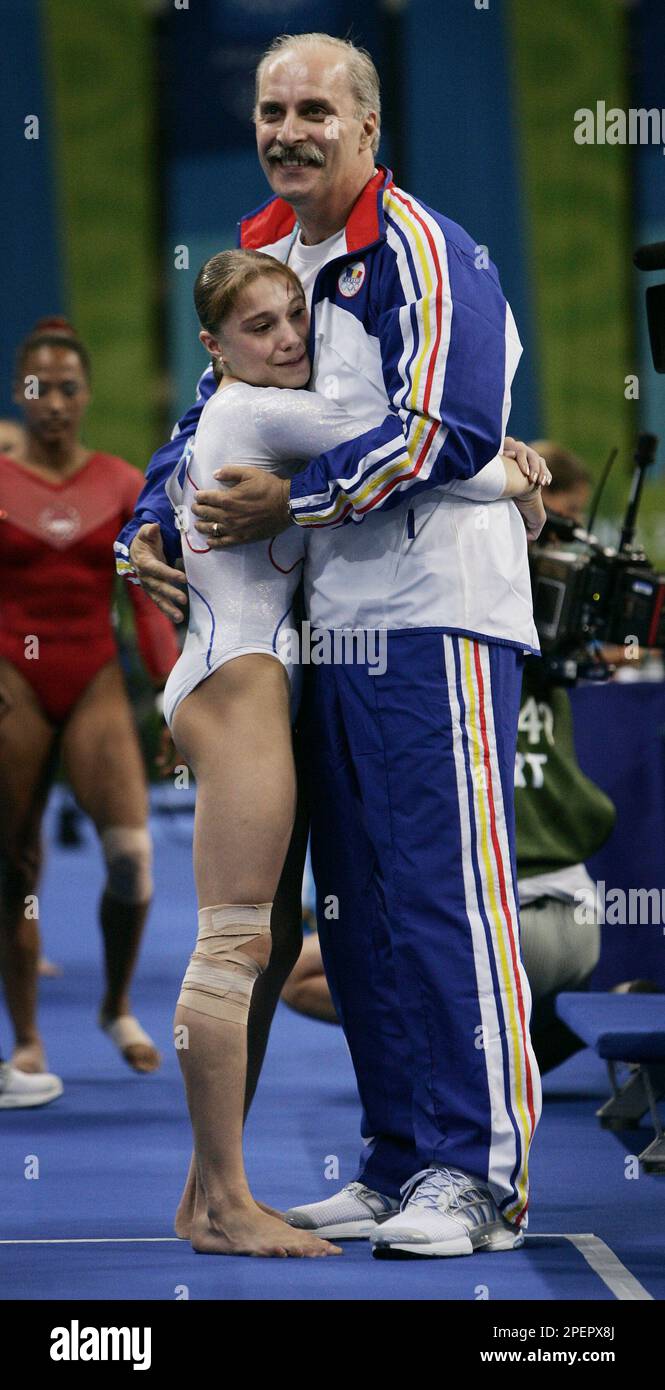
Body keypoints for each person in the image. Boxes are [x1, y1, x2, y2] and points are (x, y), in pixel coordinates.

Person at [117, 32, 547, 1259]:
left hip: (435, 618)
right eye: (268, 109)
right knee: (357, 914)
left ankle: (481, 1175)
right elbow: (210, 419)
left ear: (366, 127)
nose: (287, 128)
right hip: (326, 635)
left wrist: (292, 506)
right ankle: (400, 1156)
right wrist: (149, 522)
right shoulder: (273, 259)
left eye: (313, 108)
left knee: (442, 902)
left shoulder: (425, 247)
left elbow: (447, 428)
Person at [0, 318, 179, 1076]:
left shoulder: (119, 481)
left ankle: (115, 1004)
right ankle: (30, 1041)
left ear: (87, 395)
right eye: (38, 388)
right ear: (19, 394)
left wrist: (173, 692)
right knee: (15, 868)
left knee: (132, 860)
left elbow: (144, 602)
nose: (53, 402)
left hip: (95, 674)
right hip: (13, 673)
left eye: (68, 387)